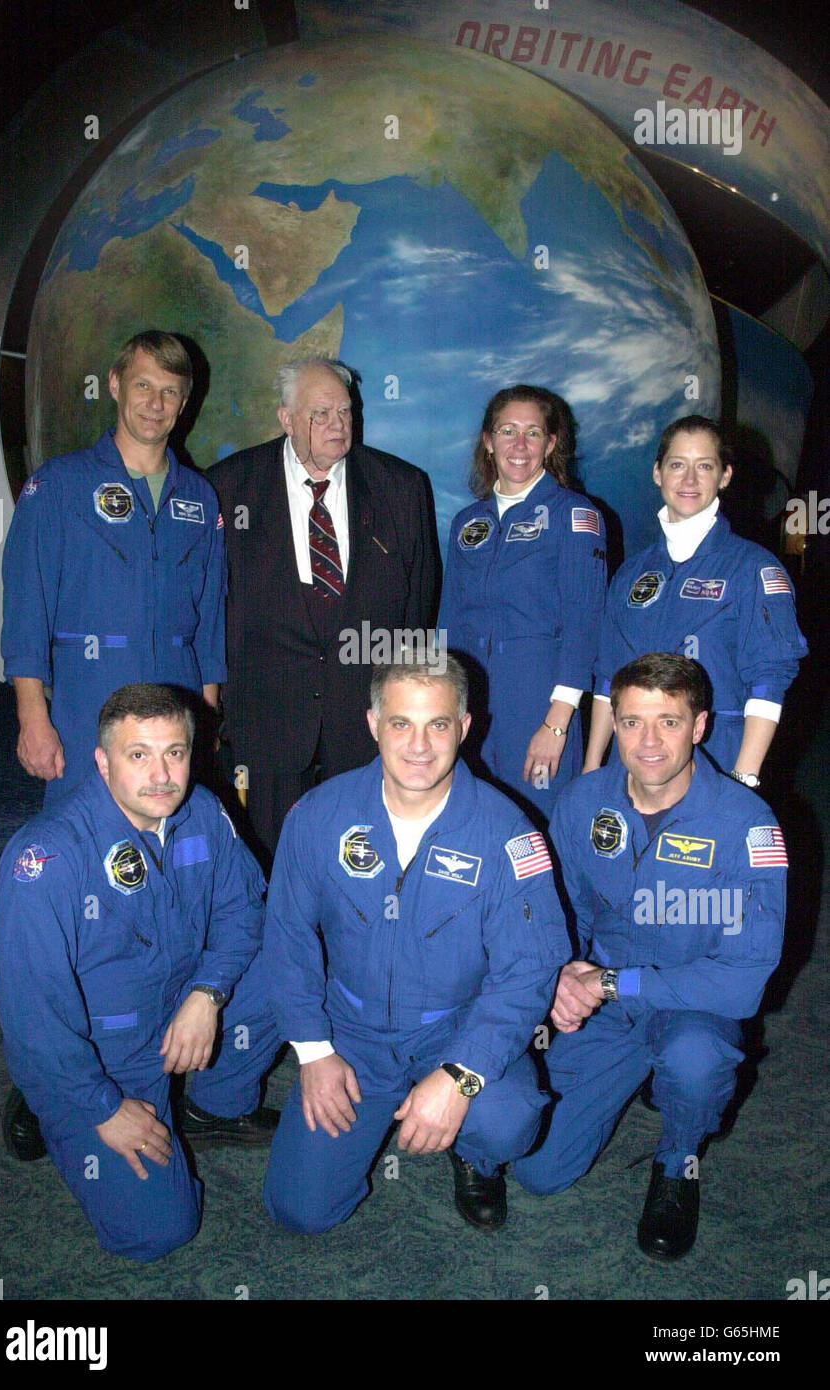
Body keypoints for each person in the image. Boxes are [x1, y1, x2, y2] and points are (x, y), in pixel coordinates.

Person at [261, 657, 571, 1235]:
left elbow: (529, 970)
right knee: (299, 1211)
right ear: (373, 724)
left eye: (438, 724)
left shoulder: (509, 834)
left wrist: (461, 1075)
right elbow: (287, 938)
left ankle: (475, 1156)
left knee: (507, 1122)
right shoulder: (318, 816)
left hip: (452, 1030)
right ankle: (371, 1124)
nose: (420, 746)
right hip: (350, 1036)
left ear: (466, 726)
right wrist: (312, 1050)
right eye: (401, 723)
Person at [0, 683, 280, 1262]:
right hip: (105, 1056)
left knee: (294, 956)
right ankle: (49, 1107)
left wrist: (209, 994)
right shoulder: (49, 856)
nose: (161, 774)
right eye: (138, 754)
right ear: (102, 762)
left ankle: (212, 1105)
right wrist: (100, 1107)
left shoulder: (201, 811)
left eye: (174, 752)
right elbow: (33, 1017)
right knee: (158, 1232)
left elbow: (246, 909)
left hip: (183, 1008)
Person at [514, 654, 787, 1259]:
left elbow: (742, 984)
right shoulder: (583, 802)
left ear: (701, 726)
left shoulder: (747, 826)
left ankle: (677, 1158)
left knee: (694, 1061)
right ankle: (637, 1074)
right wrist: (560, 977)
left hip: (691, 1006)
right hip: (607, 1006)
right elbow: (562, 914)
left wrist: (611, 983)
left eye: (668, 721)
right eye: (633, 722)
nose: (649, 741)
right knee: (538, 1170)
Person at [207, 358, 440, 871]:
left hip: (363, 726)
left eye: (345, 410)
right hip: (266, 724)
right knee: (269, 868)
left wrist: (408, 710)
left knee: (363, 865)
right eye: (320, 413)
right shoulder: (228, 487)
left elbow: (419, 613)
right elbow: (209, 607)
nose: (337, 424)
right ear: (285, 419)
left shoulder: (401, 488)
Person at [1, 330, 226, 807]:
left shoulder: (199, 498)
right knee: (82, 840)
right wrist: (32, 717)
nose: (155, 403)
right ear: (115, 385)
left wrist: (206, 716)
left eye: (170, 392)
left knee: (173, 833)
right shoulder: (58, 486)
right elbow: (27, 609)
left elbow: (209, 621)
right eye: (143, 385)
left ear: (184, 404)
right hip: (89, 696)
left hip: (175, 695)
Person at [584, 415, 808, 785]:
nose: (689, 480)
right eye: (677, 465)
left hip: (716, 758)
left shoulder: (753, 569)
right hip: (631, 758)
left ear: (725, 476)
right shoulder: (631, 574)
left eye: (704, 466)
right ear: (658, 473)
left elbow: (769, 679)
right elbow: (609, 674)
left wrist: (744, 777)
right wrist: (594, 765)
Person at [438, 385, 606, 823]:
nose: (519, 445)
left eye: (533, 433)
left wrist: (556, 724)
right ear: (488, 441)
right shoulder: (466, 523)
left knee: (540, 828)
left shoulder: (575, 515)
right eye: (507, 431)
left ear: (550, 445)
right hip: (470, 703)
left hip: (537, 699)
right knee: (469, 827)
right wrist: (442, 709)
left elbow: (584, 623)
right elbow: (449, 620)